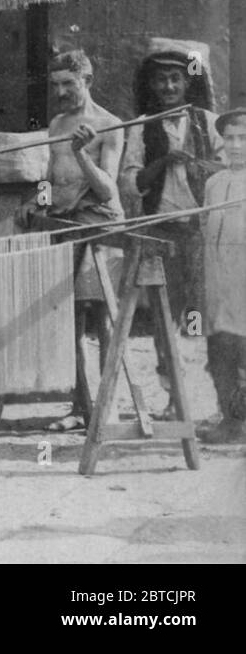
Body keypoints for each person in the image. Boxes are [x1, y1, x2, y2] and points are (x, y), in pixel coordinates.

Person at [19, 50, 125, 433]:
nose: (61, 91)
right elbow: (50, 178)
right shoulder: (57, 123)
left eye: (69, 83)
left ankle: (108, 407)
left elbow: (107, 189)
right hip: (65, 225)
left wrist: (82, 153)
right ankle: (81, 406)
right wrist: (36, 199)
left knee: (104, 318)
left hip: (99, 227)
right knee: (70, 322)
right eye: (56, 85)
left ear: (88, 81)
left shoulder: (109, 126)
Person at [119, 40, 221, 418]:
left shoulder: (209, 124)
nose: (168, 88)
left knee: (204, 318)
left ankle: (214, 402)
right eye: (161, 80)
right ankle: (173, 399)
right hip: (161, 235)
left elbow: (231, 173)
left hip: (202, 236)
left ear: (187, 83)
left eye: (175, 79)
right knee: (166, 320)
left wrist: (196, 165)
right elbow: (129, 184)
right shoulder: (141, 129)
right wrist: (162, 162)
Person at [199, 108, 246, 444]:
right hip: (219, 280)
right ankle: (230, 423)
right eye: (229, 138)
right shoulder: (213, 184)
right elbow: (206, 230)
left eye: (243, 138)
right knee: (221, 350)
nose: (235, 145)